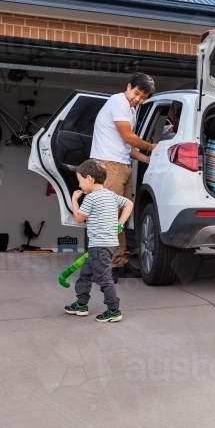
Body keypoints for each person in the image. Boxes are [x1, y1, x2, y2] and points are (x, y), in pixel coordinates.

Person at [89, 72, 156, 278]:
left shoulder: (131, 109)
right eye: (136, 93)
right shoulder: (118, 101)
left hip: (122, 165)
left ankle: (117, 263)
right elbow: (128, 136)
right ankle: (102, 267)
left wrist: (147, 159)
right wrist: (151, 146)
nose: (138, 99)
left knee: (120, 218)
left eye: (143, 97)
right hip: (109, 166)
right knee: (107, 217)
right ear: (128, 86)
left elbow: (127, 147)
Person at [63, 159, 134, 323]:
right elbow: (129, 204)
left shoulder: (90, 198)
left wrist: (74, 200)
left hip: (98, 246)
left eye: (80, 181)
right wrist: (120, 224)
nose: (80, 186)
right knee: (86, 274)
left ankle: (113, 309)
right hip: (108, 244)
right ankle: (81, 304)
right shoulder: (111, 195)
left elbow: (79, 218)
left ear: (89, 178)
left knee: (103, 278)